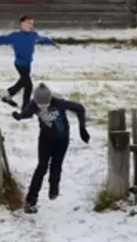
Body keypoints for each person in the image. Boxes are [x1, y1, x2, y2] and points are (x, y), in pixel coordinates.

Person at [13, 83, 89, 213]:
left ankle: (54, 187)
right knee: (41, 167)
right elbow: (27, 113)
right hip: (45, 140)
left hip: (62, 140)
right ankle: (31, 200)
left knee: (56, 165)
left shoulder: (59, 103)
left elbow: (80, 108)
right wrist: (19, 116)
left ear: (50, 100)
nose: (42, 107)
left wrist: (82, 129)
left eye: (45, 104)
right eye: (40, 105)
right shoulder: (33, 104)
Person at [0, 15, 57, 108]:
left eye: (32, 24)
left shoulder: (33, 35)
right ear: (21, 24)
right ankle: (26, 107)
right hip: (19, 64)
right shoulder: (15, 36)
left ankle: (7, 97)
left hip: (28, 64)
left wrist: (52, 42)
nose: (30, 25)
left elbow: (42, 39)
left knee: (22, 83)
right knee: (28, 86)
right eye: (28, 23)